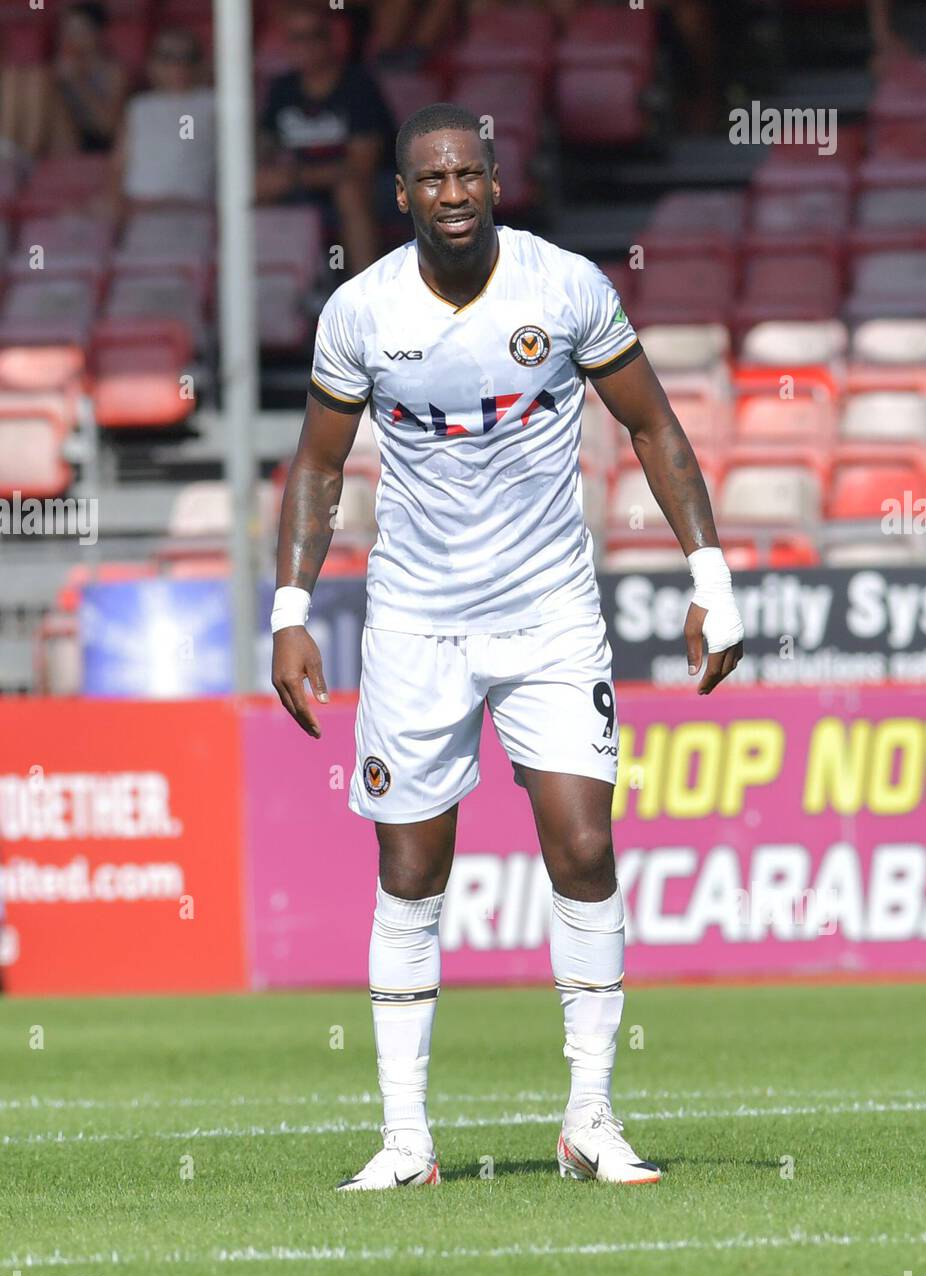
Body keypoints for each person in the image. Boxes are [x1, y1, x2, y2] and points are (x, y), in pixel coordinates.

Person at [270, 104, 744, 1190]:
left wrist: (709, 580)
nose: (453, 192)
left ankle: (589, 1120)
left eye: (470, 173)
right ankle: (405, 1141)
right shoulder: (362, 313)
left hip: (549, 612)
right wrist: (289, 609)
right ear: (402, 194)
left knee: (582, 846)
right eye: (432, 177)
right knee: (410, 870)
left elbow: (654, 428)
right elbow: (316, 466)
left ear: (495, 180)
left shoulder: (563, 286)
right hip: (416, 623)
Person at [257, 1, 394, 275]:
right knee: (250, 188)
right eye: (295, 38)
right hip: (305, 185)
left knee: (349, 191)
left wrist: (294, 176)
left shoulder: (358, 85)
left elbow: (361, 167)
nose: (304, 46)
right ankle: (275, 291)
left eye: (313, 36)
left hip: (374, 187)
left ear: (330, 40)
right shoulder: (282, 88)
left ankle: (363, 298)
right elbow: (264, 147)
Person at [109, 28, 215, 210]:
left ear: (200, 63)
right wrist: (115, 203)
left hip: (190, 207)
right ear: (152, 63)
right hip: (137, 206)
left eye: (187, 57)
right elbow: (119, 164)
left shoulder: (213, 103)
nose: (178, 66)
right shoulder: (138, 106)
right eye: (168, 57)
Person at [49, 2, 128, 155]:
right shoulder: (59, 67)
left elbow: (108, 127)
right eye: (67, 31)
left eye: (79, 30)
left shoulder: (115, 72)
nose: (72, 38)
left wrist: (78, 82)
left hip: (95, 142)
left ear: (99, 32)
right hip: (56, 140)